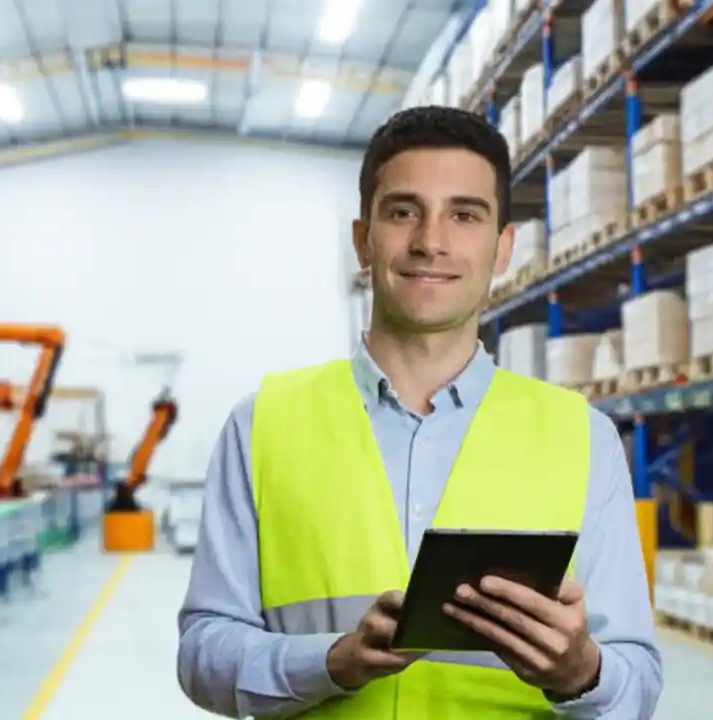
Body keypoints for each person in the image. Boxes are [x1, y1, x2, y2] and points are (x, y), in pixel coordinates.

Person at [176, 106, 663, 719]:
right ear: (363, 240)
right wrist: (332, 661)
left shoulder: (581, 436)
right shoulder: (262, 425)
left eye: (465, 215)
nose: (431, 241)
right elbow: (201, 654)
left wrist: (580, 672)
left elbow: (637, 681)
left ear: (502, 246)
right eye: (403, 211)